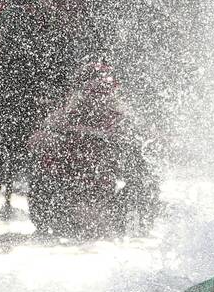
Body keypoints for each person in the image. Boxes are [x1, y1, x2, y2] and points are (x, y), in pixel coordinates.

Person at [26, 60, 158, 239]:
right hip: (67, 202)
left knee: (144, 179)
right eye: (92, 93)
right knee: (40, 175)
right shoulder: (61, 119)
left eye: (103, 94)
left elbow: (144, 147)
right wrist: (53, 138)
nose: (97, 101)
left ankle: (133, 230)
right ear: (79, 93)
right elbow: (35, 143)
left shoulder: (120, 121)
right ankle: (47, 227)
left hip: (103, 201)